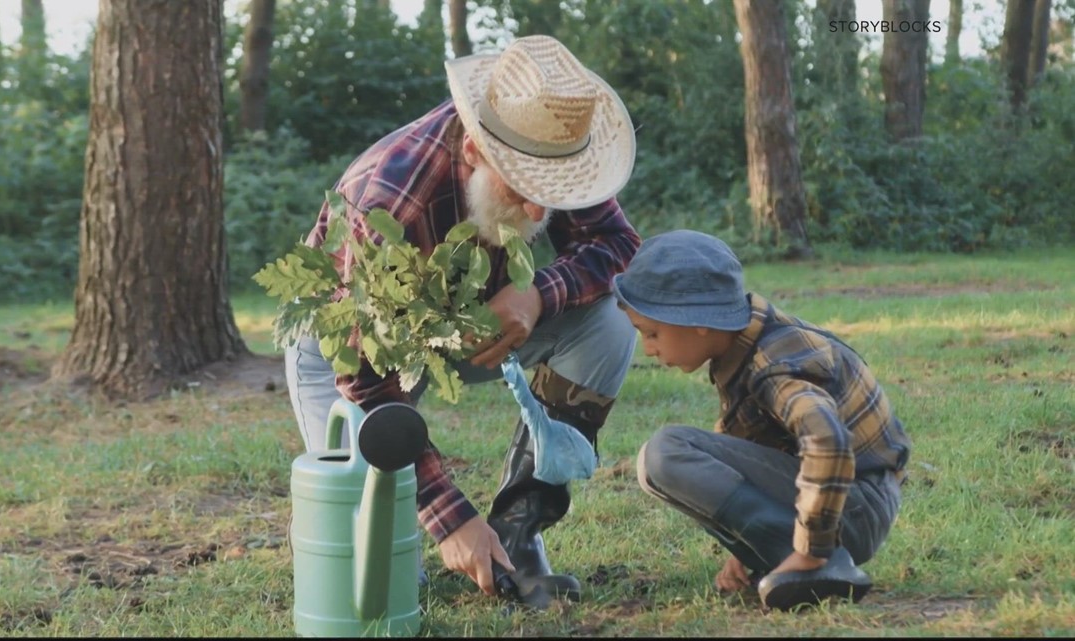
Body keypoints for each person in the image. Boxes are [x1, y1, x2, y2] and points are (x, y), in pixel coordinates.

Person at [284, 35, 641, 609]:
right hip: (349, 354)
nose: (537, 212)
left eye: (549, 194)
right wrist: (450, 519)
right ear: (474, 149)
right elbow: (368, 384)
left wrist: (538, 294)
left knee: (609, 322)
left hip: (476, 325)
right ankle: (418, 539)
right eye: (521, 189)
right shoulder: (393, 202)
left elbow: (617, 243)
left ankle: (517, 533)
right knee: (382, 577)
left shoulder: (552, 145)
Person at [614, 230, 912, 612]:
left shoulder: (774, 360)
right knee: (656, 468)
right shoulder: (739, 350)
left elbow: (827, 439)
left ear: (696, 319)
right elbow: (748, 452)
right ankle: (781, 558)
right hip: (845, 505)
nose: (648, 349)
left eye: (652, 333)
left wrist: (812, 550)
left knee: (666, 452)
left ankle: (818, 563)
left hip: (856, 505)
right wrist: (743, 547)